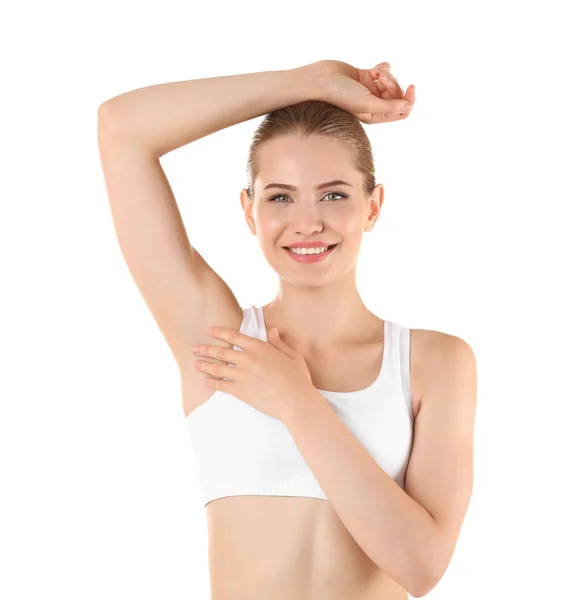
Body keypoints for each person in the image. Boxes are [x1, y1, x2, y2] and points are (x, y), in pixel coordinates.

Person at [97, 60, 476, 599]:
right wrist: (313, 82)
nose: (307, 222)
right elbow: (121, 128)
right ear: (249, 211)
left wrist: (297, 401)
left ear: (373, 206)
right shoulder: (220, 343)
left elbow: (420, 566)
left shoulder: (435, 363)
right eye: (280, 196)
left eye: (334, 194)